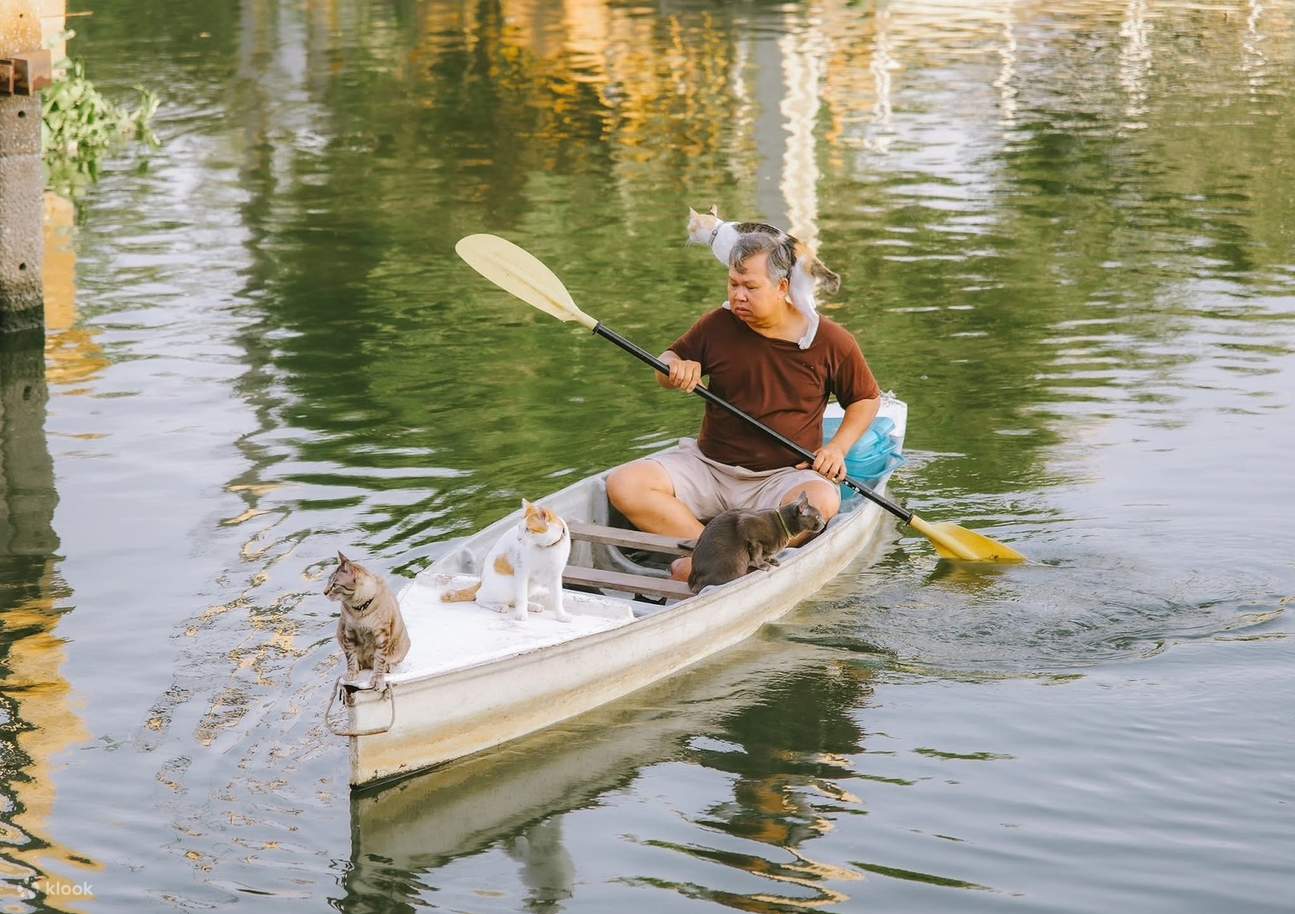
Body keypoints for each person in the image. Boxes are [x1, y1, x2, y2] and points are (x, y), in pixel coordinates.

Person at [606, 231, 881, 582]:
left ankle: (719, 560)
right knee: (625, 483)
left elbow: (865, 399)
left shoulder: (830, 341)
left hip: (781, 478)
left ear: (783, 288)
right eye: (733, 284)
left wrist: (838, 449)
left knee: (822, 502)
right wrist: (674, 366)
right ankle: (715, 555)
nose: (738, 295)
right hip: (709, 468)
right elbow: (669, 361)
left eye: (750, 287)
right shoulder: (717, 325)